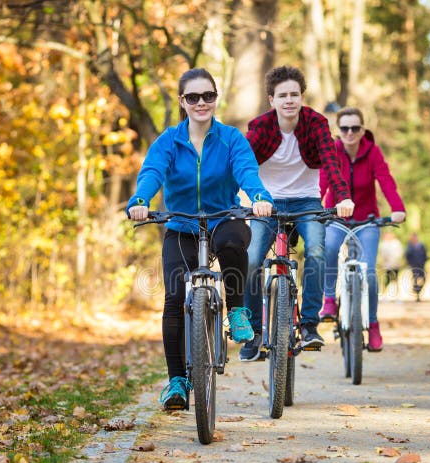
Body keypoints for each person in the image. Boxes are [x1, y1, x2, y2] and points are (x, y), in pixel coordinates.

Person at [127, 68, 274, 409]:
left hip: (223, 218)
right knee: (173, 298)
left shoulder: (230, 139)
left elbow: (246, 171)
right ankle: (177, 382)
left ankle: (236, 311)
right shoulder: (169, 141)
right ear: (182, 101)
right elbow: (152, 172)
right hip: (181, 225)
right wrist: (140, 200)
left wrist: (259, 197)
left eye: (208, 95)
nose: (201, 103)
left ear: (215, 98)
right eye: (193, 97)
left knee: (233, 243)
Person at [239, 65, 355, 362]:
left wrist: (343, 197)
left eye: (294, 94)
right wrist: (234, 198)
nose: (289, 100)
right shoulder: (261, 127)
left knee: (316, 249)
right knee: (251, 259)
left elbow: (331, 162)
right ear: (272, 100)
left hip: (306, 201)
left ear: (302, 96)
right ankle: (254, 332)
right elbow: (241, 164)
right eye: (282, 95)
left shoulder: (315, 123)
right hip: (267, 203)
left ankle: (309, 325)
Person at [319, 106, 406, 352]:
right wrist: (315, 206)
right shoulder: (333, 151)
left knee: (368, 273)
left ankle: (373, 324)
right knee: (329, 248)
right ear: (338, 130)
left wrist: (397, 208)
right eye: (344, 128)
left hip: (367, 221)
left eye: (355, 128)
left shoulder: (372, 152)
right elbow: (323, 181)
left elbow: (386, 181)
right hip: (337, 218)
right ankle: (329, 299)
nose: (349, 132)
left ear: (362, 129)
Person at [405, 232, 428, 302]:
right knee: (415, 279)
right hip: (414, 266)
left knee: (423, 279)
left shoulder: (421, 245)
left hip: (421, 266)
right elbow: (407, 256)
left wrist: (424, 261)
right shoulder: (410, 246)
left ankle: (418, 291)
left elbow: (425, 255)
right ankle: (417, 294)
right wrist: (410, 263)